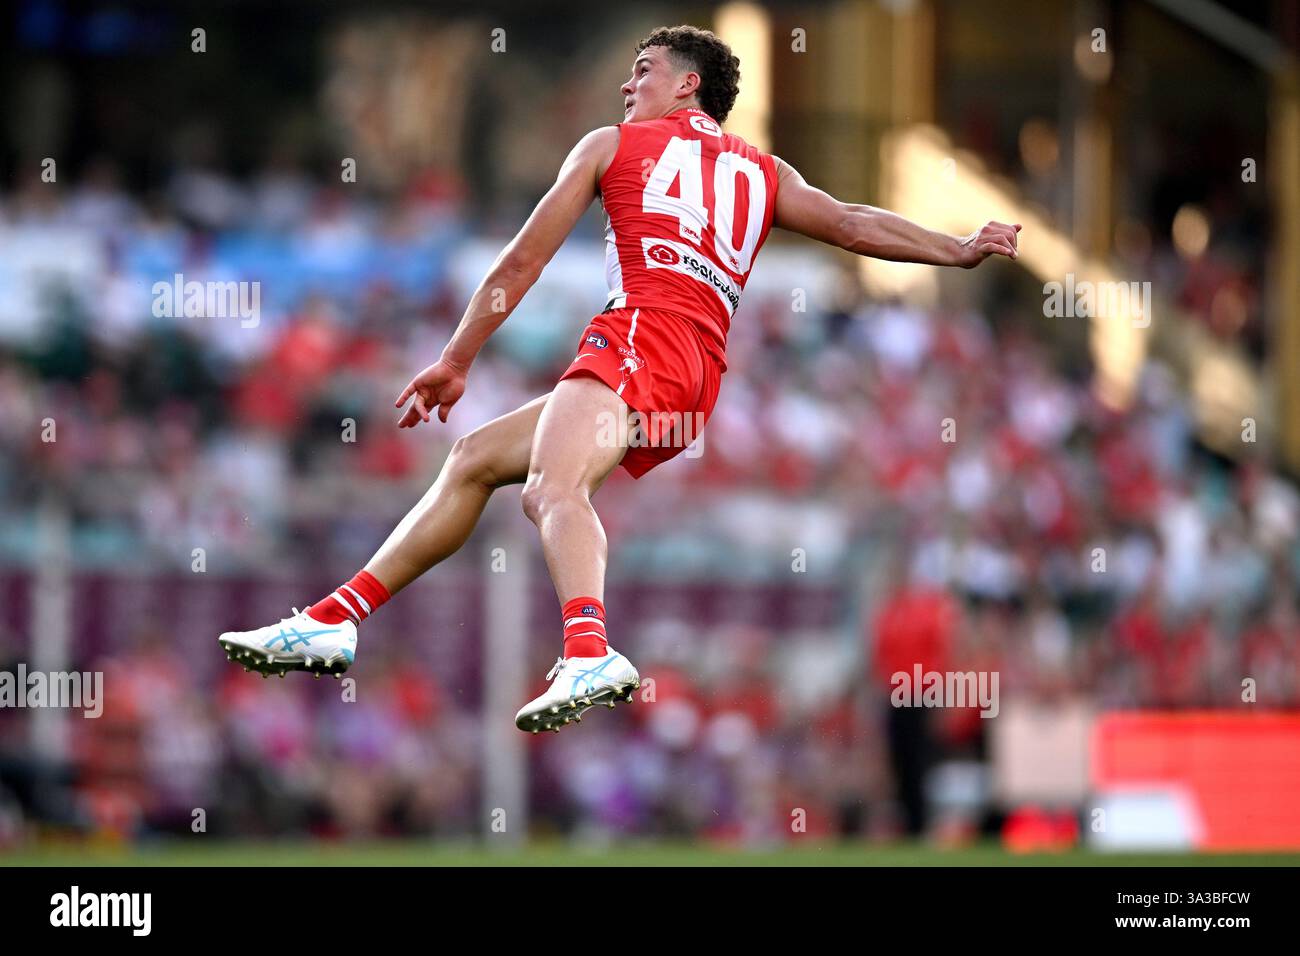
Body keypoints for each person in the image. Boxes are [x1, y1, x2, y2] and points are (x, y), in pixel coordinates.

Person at [218, 24, 1021, 734]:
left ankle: (588, 650)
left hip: (638, 334)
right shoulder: (765, 172)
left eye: (644, 69)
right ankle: (337, 617)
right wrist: (956, 246)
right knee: (472, 462)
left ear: (687, 84)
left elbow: (523, 258)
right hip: (695, 376)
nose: (628, 83)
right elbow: (851, 224)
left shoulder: (611, 145)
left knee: (550, 492)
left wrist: (458, 357)